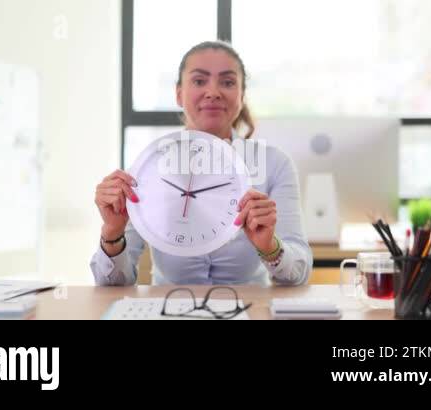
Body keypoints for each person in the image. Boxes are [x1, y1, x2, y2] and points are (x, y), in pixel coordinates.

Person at [90, 41, 312, 286]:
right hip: (169, 309)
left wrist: (270, 247)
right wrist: (112, 233)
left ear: (242, 95)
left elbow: (299, 273)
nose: (213, 92)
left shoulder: (274, 164)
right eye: (199, 81)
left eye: (227, 82)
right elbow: (110, 283)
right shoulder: (149, 167)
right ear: (178, 94)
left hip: (249, 310)